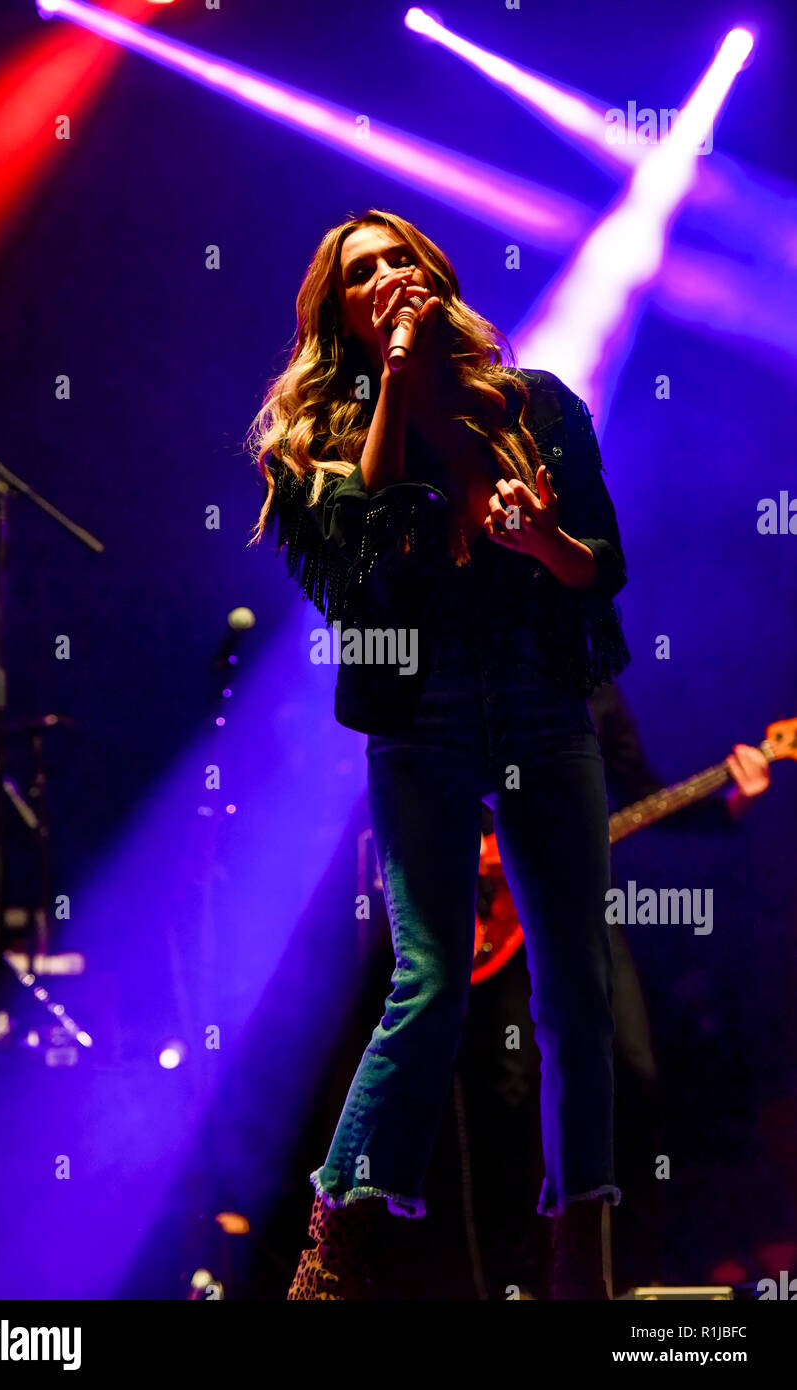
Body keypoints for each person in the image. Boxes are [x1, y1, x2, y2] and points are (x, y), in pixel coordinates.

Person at [247, 208, 631, 1300]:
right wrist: (401, 380)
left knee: (578, 992)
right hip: (422, 709)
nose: (387, 280)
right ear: (342, 311)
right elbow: (368, 555)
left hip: (542, 698)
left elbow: (600, 568)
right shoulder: (314, 438)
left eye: (399, 260)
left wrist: (538, 538)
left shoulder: (537, 407)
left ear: (435, 271)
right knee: (430, 979)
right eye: (361, 273)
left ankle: (583, 1264)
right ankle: (339, 1249)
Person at [461, 682, 772, 1298]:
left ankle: (632, 1277)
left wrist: (731, 801)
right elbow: (423, 769)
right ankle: (518, 1281)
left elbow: (644, 792)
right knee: (515, 1093)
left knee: (635, 1072)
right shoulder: (478, 665)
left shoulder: (593, 685)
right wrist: (462, 840)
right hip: (503, 911)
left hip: (583, 906)